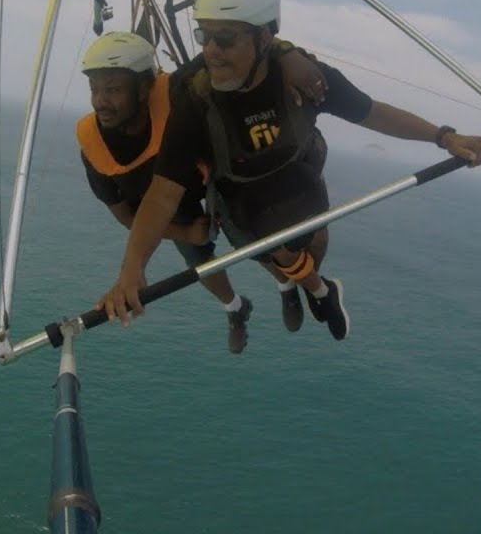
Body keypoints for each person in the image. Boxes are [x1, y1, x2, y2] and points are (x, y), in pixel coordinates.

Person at [94, 0, 481, 341]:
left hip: (296, 176)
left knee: (307, 248)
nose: (211, 52)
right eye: (205, 37)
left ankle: (317, 289)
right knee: (266, 254)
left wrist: (444, 137)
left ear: (264, 38)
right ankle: (301, 290)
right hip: (239, 193)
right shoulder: (197, 100)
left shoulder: (305, 78)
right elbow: (164, 192)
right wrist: (131, 271)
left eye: (227, 39)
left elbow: (369, 111)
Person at [76, 30, 328, 353]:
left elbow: (245, 46)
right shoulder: (94, 144)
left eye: (112, 90)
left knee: (247, 240)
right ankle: (235, 308)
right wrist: (184, 231)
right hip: (173, 207)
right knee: (197, 258)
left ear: (143, 88)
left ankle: (285, 282)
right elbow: (126, 215)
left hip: (212, 179)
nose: (100, 101)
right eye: (95, 89)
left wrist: (290, 54)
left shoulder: (177, 89)